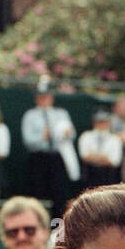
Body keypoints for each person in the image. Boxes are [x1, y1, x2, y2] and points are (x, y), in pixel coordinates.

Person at [21, 80, 78, 216]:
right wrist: (42, 137)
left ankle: (57, 228)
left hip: (57, 157)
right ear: (37, 98)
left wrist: (66, 134)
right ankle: (38, 223)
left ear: (51, 98)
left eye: (47, 96)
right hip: (38, 158)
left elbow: (71, 134)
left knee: (59, 194)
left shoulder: (61, 113)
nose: (44, 99)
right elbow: (28, 140)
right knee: (37, 194)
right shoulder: (30, 115)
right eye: (41, 96)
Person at [78, 110, 124, 191]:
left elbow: (114, 161)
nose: (102, 125)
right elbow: (84, 156)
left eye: (104, 122)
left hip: (108, 178)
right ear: (94, 123)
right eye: (99, 122)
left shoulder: (115, 139)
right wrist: (104, 157)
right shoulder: (86, 136)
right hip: (90, 176)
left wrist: (94, 156)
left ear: (109, 123)